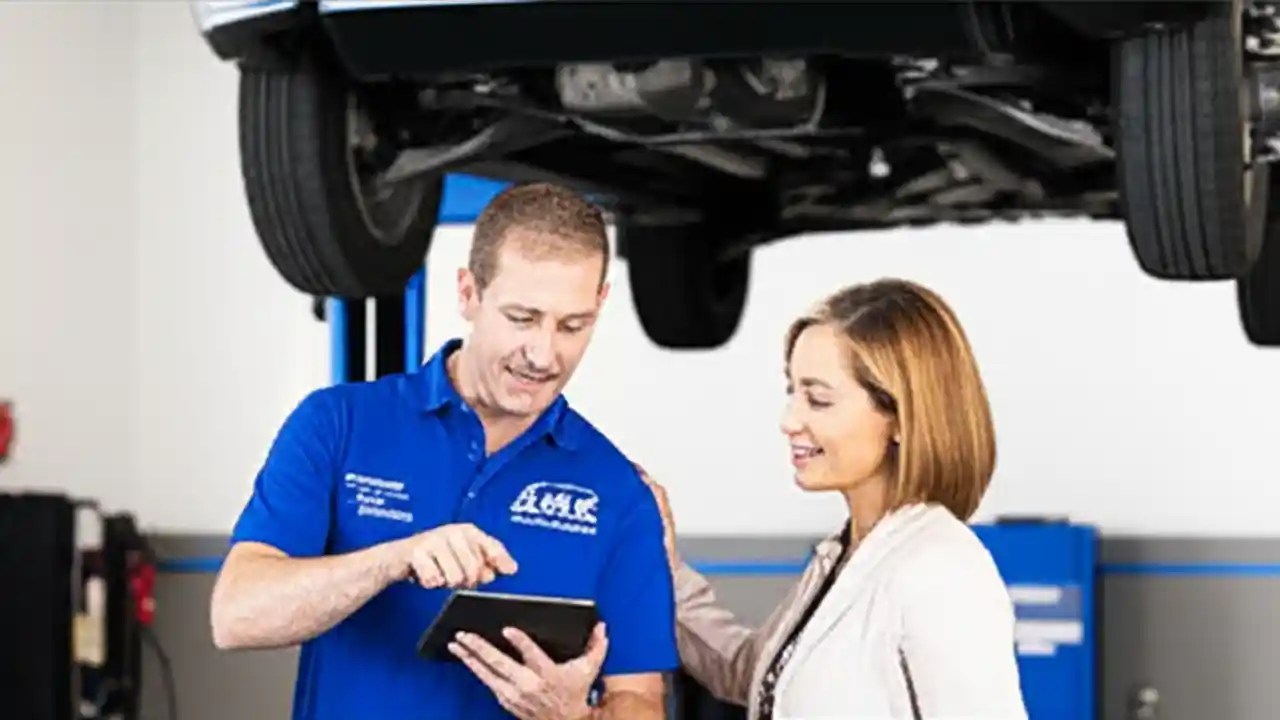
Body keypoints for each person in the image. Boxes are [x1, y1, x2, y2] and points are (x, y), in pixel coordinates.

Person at [209, 182, 677, 720]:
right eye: (522, 318)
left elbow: (640, 700)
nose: (544, 353)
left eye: (573, 325)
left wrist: (572, 717)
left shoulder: (618, 492)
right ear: (468, 294)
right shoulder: (339, 424)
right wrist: (394, 559)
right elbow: (237, 616)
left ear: (600, 305)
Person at [642, 279, 1028, 719]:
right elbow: (755, 676)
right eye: (793, 392)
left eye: (818, 400)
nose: (790, 421)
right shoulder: (845, 556)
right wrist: (661, 566)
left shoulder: (939, 570)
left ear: (902, 418)